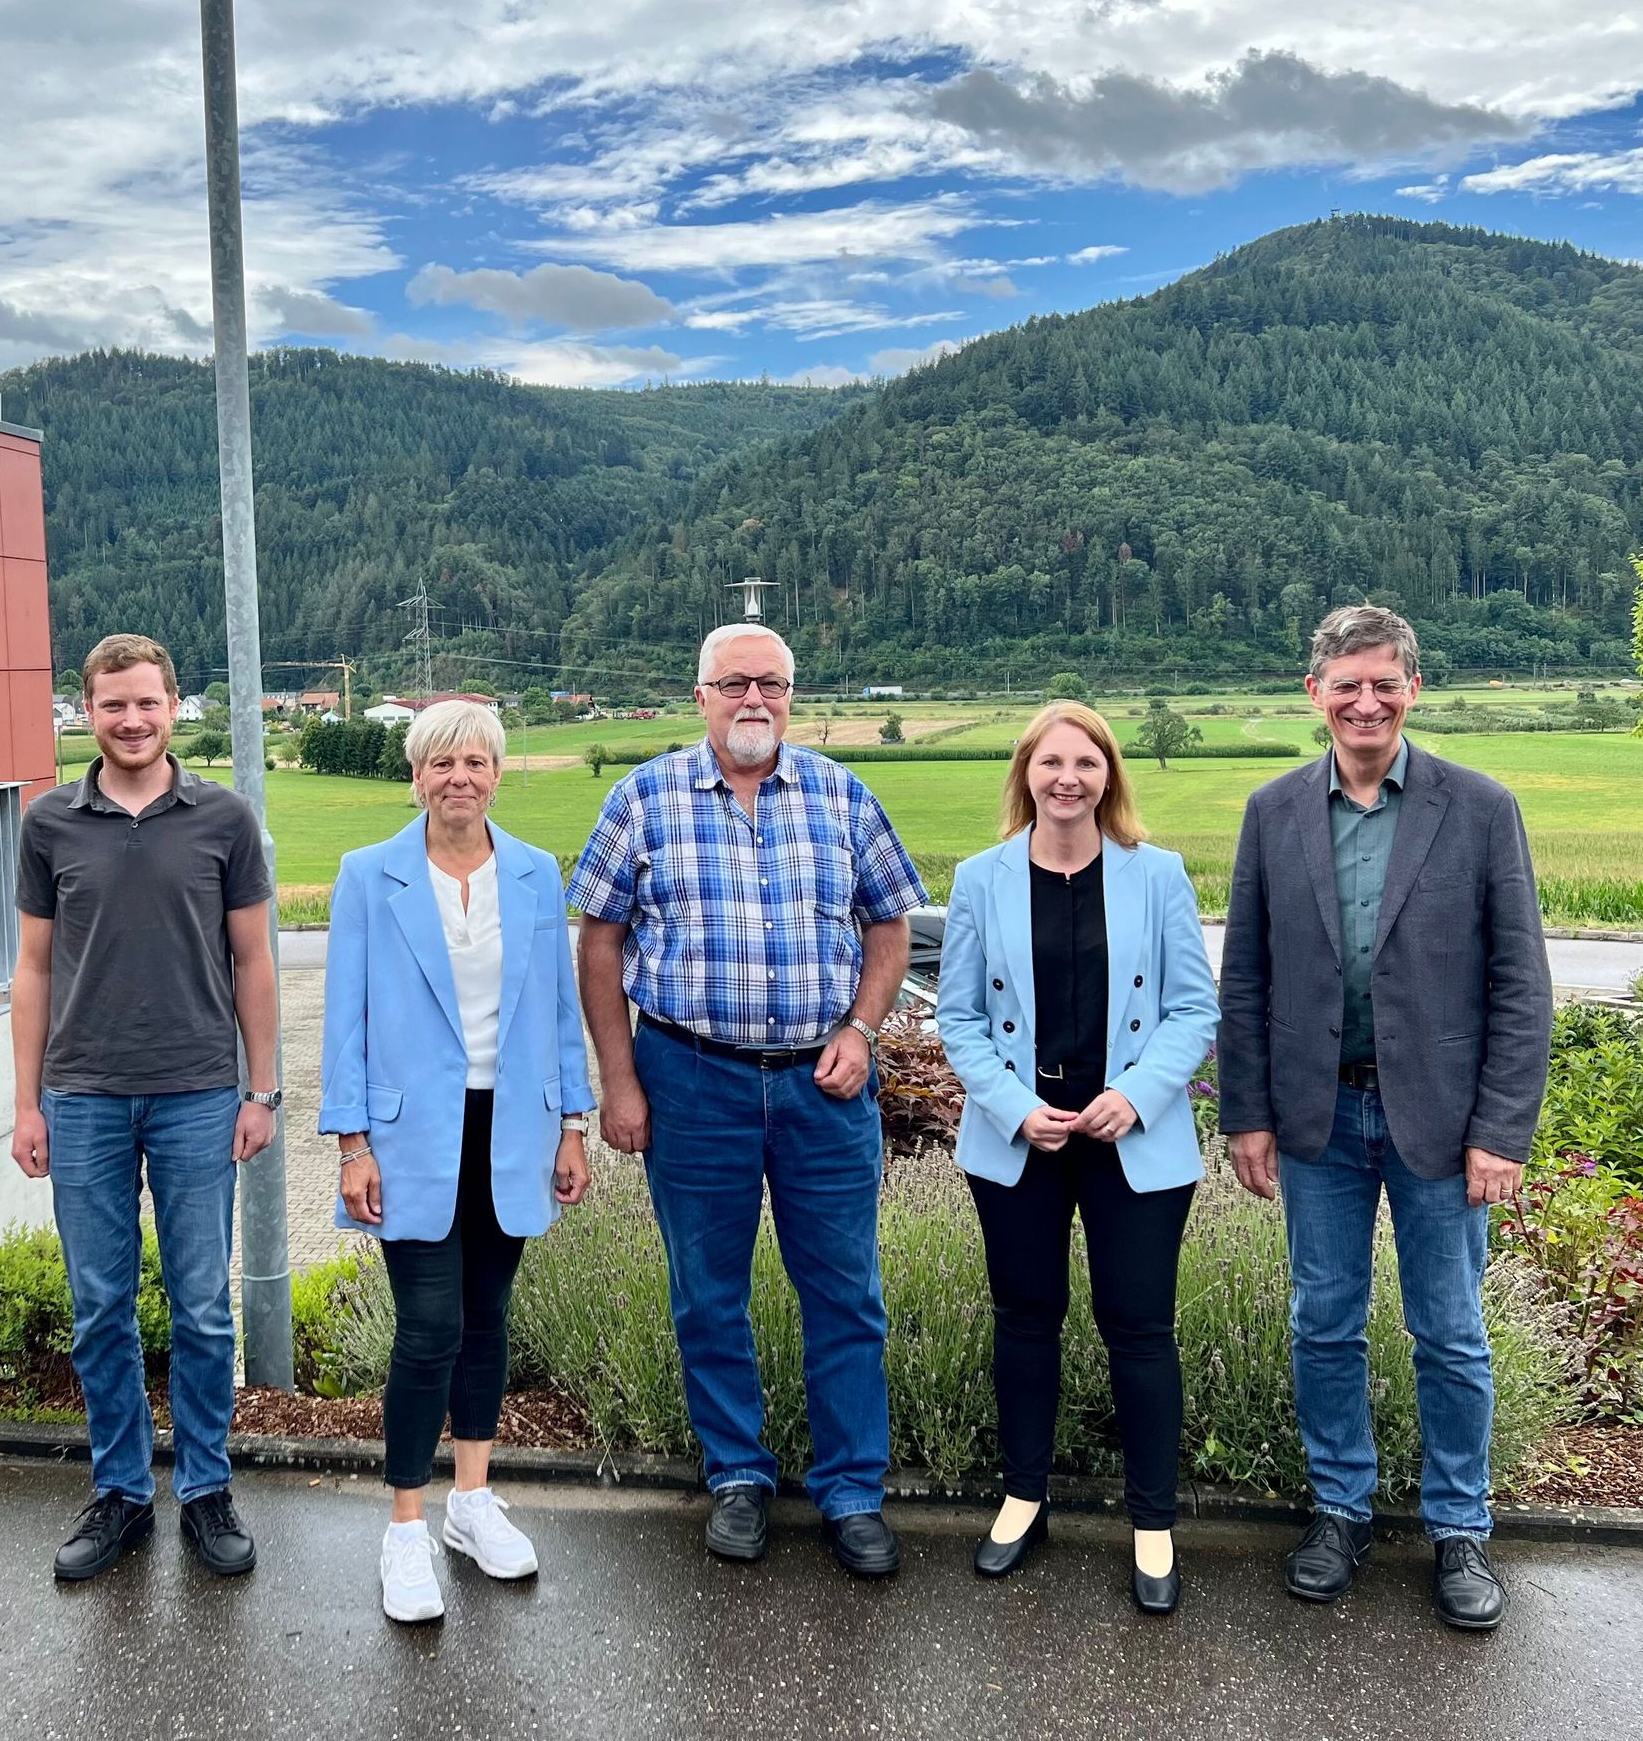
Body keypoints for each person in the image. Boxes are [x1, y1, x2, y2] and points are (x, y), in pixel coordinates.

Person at [1218, 605, 1552, 1633]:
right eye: (1345, 683)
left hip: (1442, 1124)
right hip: (1317, 1117)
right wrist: (1247, 1114)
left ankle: (1458, 1528)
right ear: (1311, 692)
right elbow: (1246, 980)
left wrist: (1499, 1129)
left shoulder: (1479, 806)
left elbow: (1518, 984)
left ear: (1413, 687)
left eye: (1384, 682)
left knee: (1447, 1330)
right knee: (1323, 1322)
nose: (1364, 700)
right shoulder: (1271, 811)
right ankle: (1339, 1512)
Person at [570, 625, 925, 1577]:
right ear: (701, 694)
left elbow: (891, 924)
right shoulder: (641, 798)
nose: (753, 698)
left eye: (771, 682)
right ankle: (737, 1475)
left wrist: (862, 1028)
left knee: (846, 1294)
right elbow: (598, 944)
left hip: (824, 1082)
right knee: (707, 1295)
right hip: (691, 1078)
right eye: (735, 682)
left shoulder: (843, 795)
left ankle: (852, 1492)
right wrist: (619, 1077)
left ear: (793, 697)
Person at [10, 633, 280, 1584]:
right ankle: (122, 1492)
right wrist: (27, 1104)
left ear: (175, 707)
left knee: (205, 1310)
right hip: (80, 1097)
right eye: (113, 704)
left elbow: (255, 960)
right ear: (87, 709)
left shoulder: (224, 820)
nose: (132, 719)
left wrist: (261, 1090)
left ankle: (205, 1487)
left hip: (199, 1094)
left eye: (147, 703)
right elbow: (34, 968)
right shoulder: (50, 823)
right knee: (100, 1308)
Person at [936, 701, 1218, 1610]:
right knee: (1025, 1316)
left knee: (1139, 1326)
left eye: (1086, 763)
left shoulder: (1159, 874)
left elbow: (1191, 1009)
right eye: (1051, 761)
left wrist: (1134, 1095)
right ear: (1024, 773)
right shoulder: (980, 878)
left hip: (1129, 1135)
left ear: (1109, 776)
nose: (1068, 778)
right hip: (1021, 1139)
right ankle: (1024, 1496)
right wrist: (1017, 1108)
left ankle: (1151, 1522)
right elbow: (960, 1017)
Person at [320, 699, 594, 1624]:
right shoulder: (369, 876)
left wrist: (573, 1122)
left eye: (475, 761)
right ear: (416, 776)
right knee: (429, 1324)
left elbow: (558, 1007)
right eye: (441, 763)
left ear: (498, 773)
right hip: (408, 1139)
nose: (459, 778)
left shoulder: (531, 873)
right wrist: (351, 1142)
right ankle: (405, 1525)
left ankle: (472, 1503)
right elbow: (345, 1019)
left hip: (513, 1128)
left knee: (487, 1317)